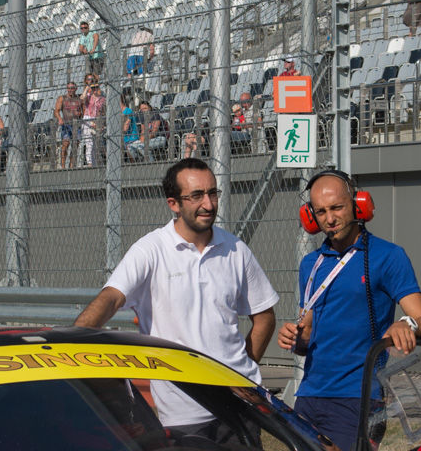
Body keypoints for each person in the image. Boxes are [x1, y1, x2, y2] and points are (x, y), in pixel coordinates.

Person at [74, 158, 278, 433]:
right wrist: (73, 339)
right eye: (196, 196)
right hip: (183, 413)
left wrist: (245, 371)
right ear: (174, 203)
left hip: (241, 407)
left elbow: (264, 316)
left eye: (212, 193)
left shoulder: (236, 249)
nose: (209, 204)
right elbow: (112, 298)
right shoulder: (151, 249)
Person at [278, 169, 421, 451]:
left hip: (358, 397)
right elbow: (307, 338)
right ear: (310, 216)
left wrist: (406, 323)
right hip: (310, 395)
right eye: (321, 211)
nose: (330, 219)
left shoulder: (388, 256)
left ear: (358, 204)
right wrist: (295, 338)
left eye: (337, 207)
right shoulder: (310, 264)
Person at [55, 81, 81, 169]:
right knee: (65, 144)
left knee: (75, 145)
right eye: (69, 88)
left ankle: (71, 165)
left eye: (72, 88)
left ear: (76, 89)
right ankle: (62, 165)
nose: (70, 90)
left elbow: (83, 110)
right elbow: (56, 111)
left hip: (76, 124)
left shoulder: (78, 99)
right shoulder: (62, 98)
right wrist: (60, 119)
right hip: (66, 124)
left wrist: (80, 114)